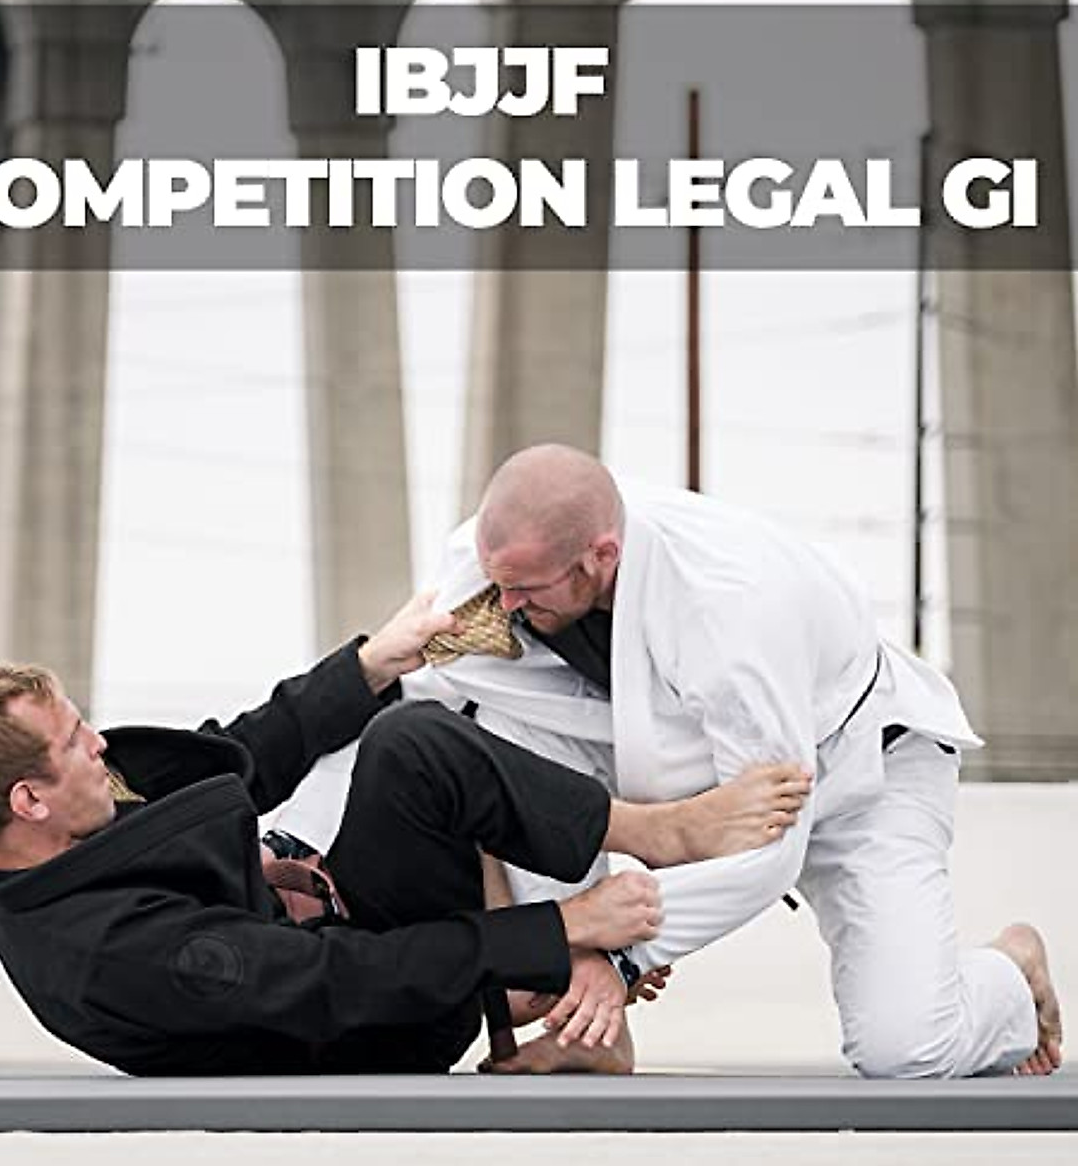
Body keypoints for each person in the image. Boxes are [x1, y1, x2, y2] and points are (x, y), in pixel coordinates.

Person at [0, 593, 811, 1076]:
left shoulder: (64, 812)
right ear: (28, 800)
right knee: (420, 746)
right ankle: (553, 963)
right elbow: (338, 982)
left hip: (321, 926)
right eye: (75, 741)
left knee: (408, 723)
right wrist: (562, 925)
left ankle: (636, 855)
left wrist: (376, 660)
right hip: (363, 1027)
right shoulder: (107, 954)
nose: (98, 744)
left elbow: (235, 760)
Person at [430, 443, 1062, 1079]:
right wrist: (568, 943)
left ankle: (1011, 971)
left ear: (601, 555)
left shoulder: (730, 611)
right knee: (502, 737)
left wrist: (621, 958)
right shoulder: (490, 565)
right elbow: (460, 722)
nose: (503, 605)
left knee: (907, 1048)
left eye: (523, 590)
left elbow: (768, 845)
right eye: (497, 582)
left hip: (861, 767)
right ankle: (592, 1035)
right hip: (673, 757)